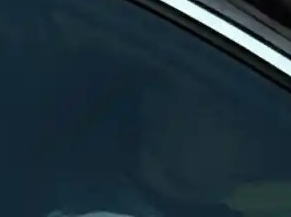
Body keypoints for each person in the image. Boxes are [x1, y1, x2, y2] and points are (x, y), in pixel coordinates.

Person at [46, 77, 250, 217]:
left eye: (242, 124)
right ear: (158, 108)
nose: (241, 138)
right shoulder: (91, 209)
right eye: (220, 116)